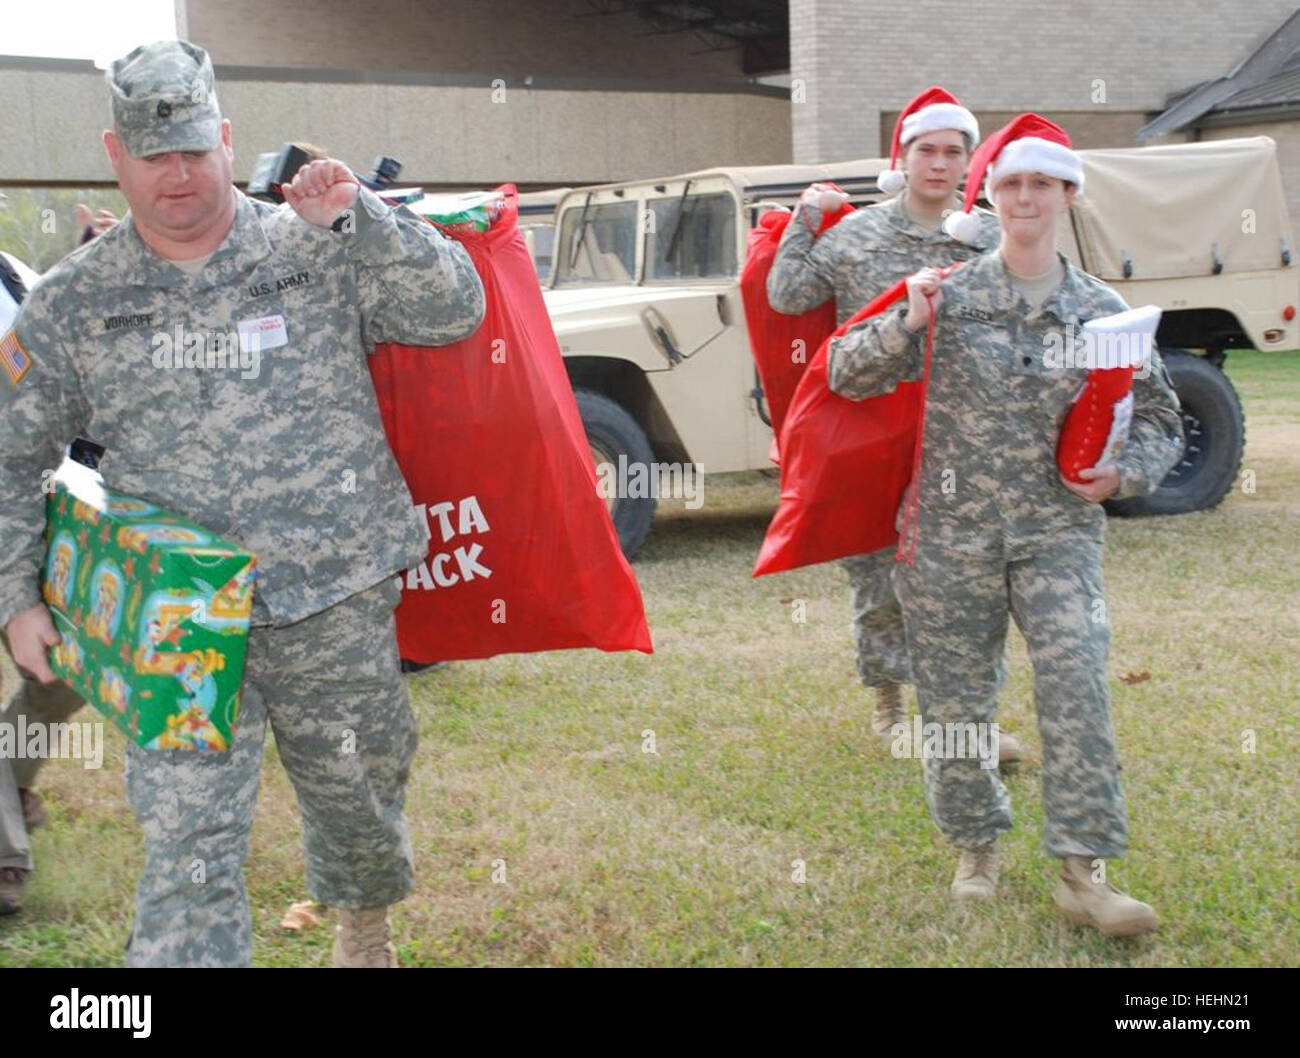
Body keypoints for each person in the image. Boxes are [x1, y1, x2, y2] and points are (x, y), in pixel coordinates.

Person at [0, 39, 485, 965]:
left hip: (332, 595)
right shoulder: (71, 303)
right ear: (115, 156)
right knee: (186, 844)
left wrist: (365, 217)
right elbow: (9, 456)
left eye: (193, 150)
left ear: (226, 140)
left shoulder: (314, 246)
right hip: (177, 619)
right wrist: (15, 599)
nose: (176, 175)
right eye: (153, 156)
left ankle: (364, 932)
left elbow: (452, 310)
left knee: (359, 797)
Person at [827, 113, 1184, 935]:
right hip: (949, 536)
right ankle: (976, 847)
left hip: (1057, 532)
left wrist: (1123, 474)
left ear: (1066, 194)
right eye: (1011, 183)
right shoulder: (948, 296)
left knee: (1078, 685)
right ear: (990, 195)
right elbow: (845, 371)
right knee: (955, 706)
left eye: (1042, 184)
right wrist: (904, 323)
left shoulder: (1104, 312)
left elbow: (1161, 416)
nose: (1025, 197)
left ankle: (1083, 873)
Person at [766, 87, 1021, 764]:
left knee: (970, 576)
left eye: (953, 153)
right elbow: (787, 294)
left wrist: (993, 240)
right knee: (877, 571)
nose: (938, 164)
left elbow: (1037, 296)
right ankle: (889, 699)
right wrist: (803, 218)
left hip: (961, 425)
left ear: (969, 163)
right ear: (902, 159)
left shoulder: (989, 236)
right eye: (926, 150)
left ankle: (972, 719)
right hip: (873, 424)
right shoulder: (857, 236)